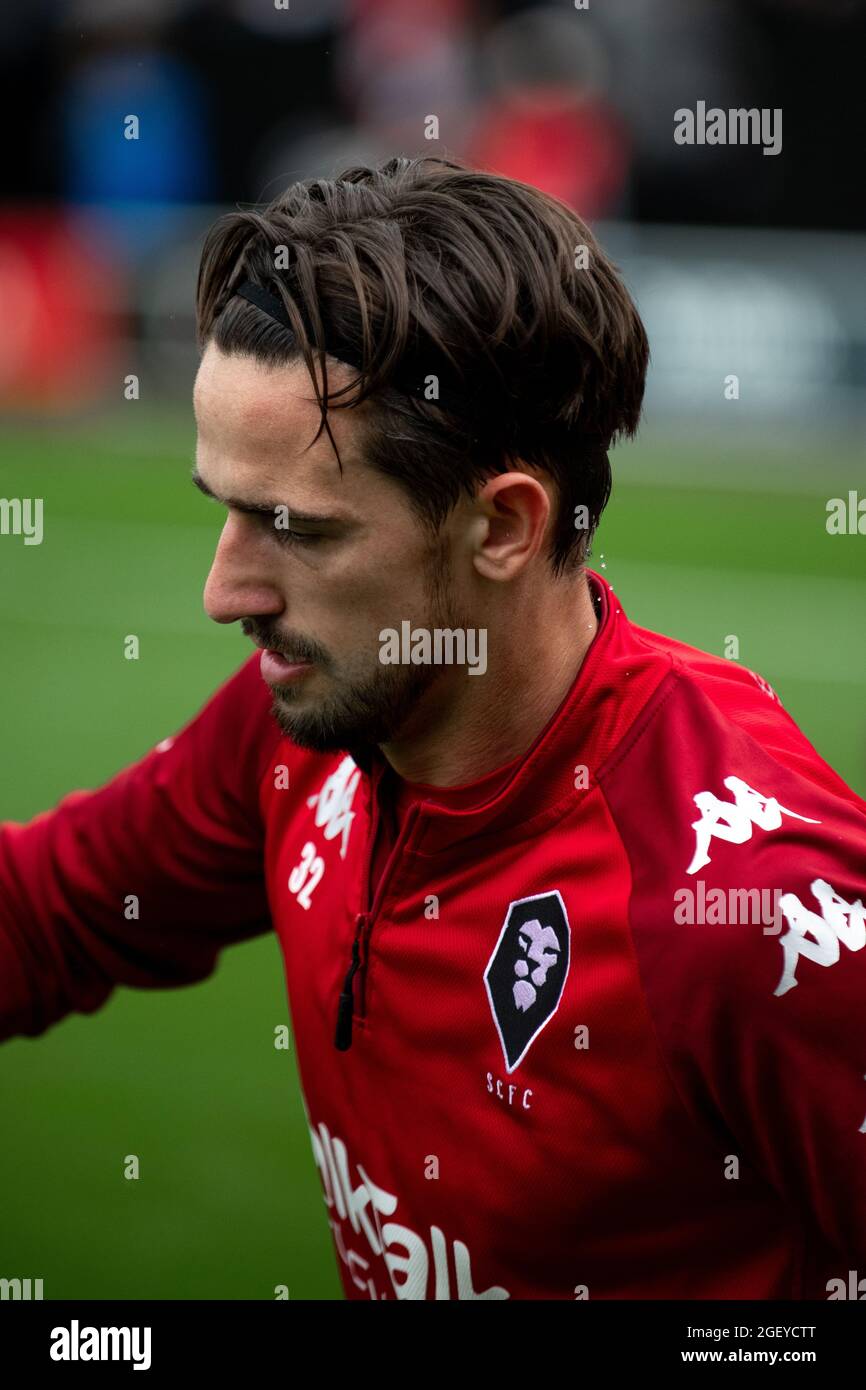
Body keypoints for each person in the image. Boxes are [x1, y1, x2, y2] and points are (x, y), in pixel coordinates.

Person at [2, 156, 865, 1300]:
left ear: (501, 525)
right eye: (221, 510)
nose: (223, 595)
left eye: (295, 529)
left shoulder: (747, 912)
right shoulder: (299, 730)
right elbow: (47, 913)